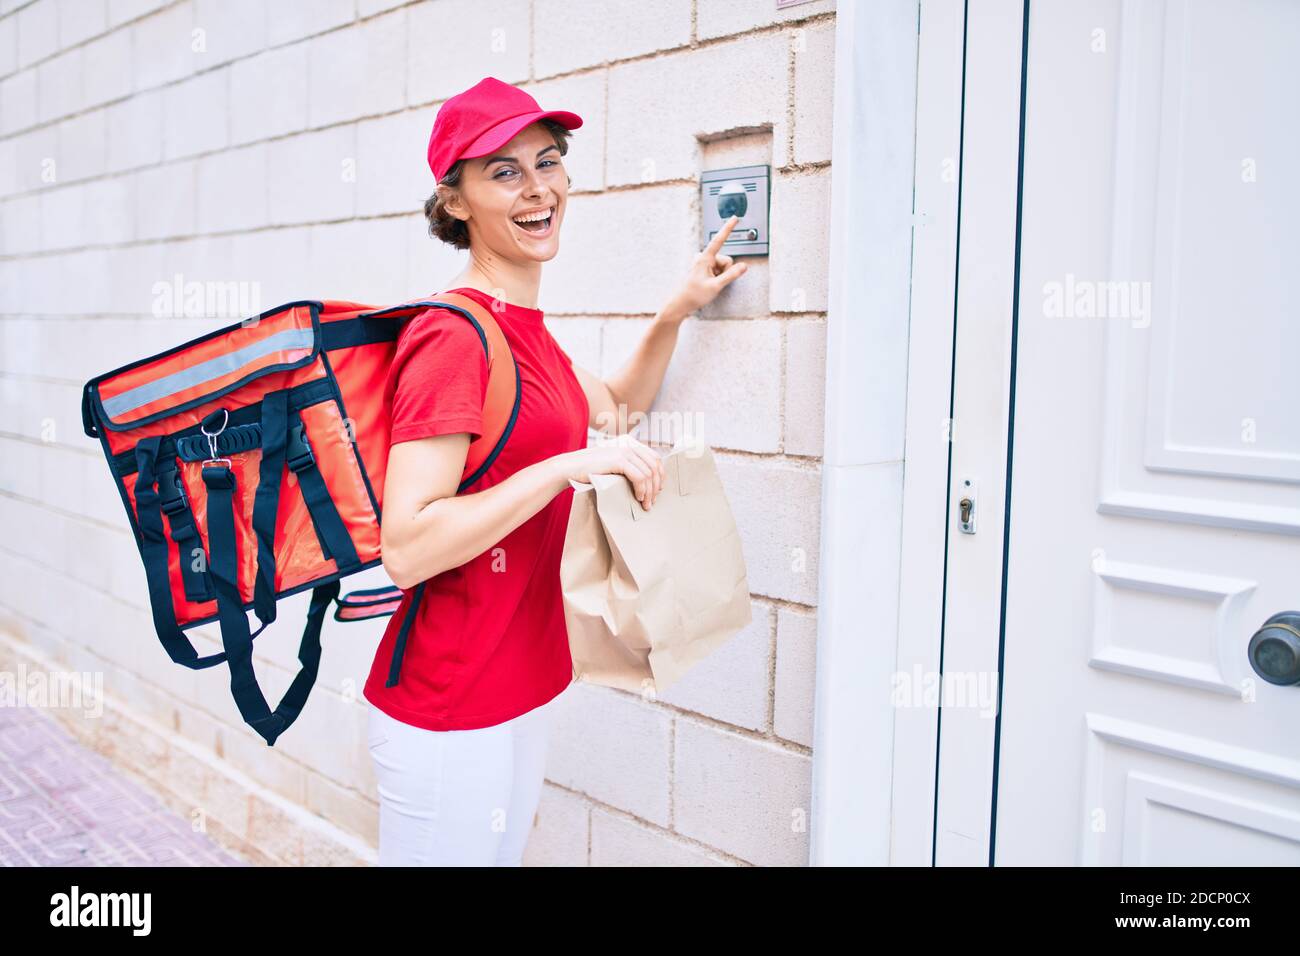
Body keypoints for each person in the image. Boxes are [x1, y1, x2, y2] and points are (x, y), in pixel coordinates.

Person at [362, 76, 748, 866]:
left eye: (548, 162)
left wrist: (674, 312)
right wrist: (568, 467)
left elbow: (615, 411)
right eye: (503, 172)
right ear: (457, 201)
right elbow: (406, 543)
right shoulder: (455, 338)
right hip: (448, 702)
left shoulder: (527, 332)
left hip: (523, 685)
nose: (538, 190)